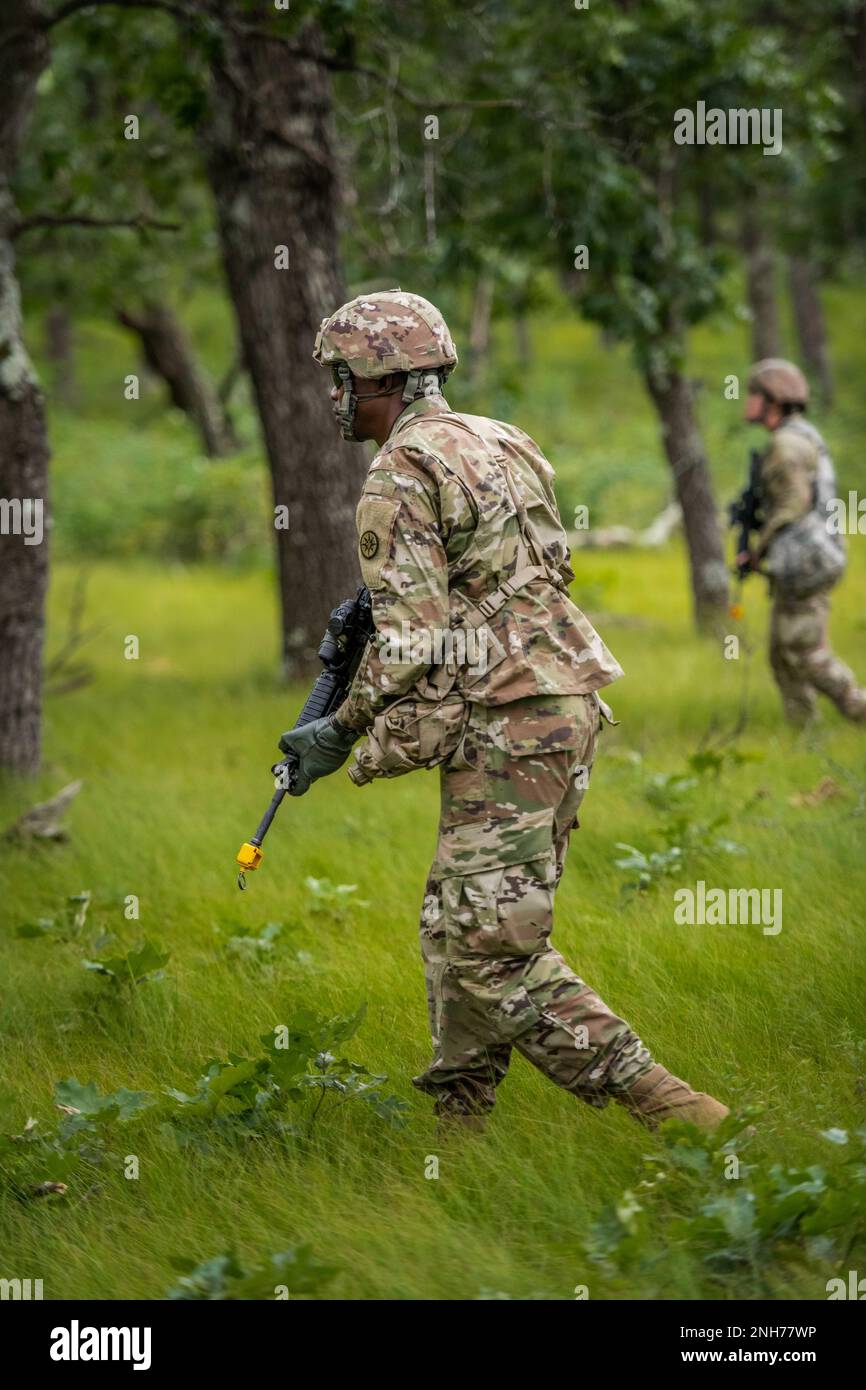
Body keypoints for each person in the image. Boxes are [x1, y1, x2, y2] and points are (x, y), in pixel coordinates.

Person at [280, 288, 729, 1133]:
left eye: (343, 378)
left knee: (491, 955)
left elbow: (415, 640)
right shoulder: (500, 439)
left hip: (509, 723)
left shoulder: (397, 473)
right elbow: (526, 574)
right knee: (455, 925)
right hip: (564, 704)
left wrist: (338, 732)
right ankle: (461, 1125)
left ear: (385, 376)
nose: (335, 396)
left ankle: (683, 1116)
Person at [740, 359, 866, 727]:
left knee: (804, 652)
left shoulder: (786, 443)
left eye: (752, 394)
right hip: (809, 558)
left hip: (805, 562)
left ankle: (858, 707)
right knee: (782, 654)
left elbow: (793, 504)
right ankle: (805, 733)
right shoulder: (804, 435)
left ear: (773, 399)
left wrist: (757, 549)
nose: (746, 401)